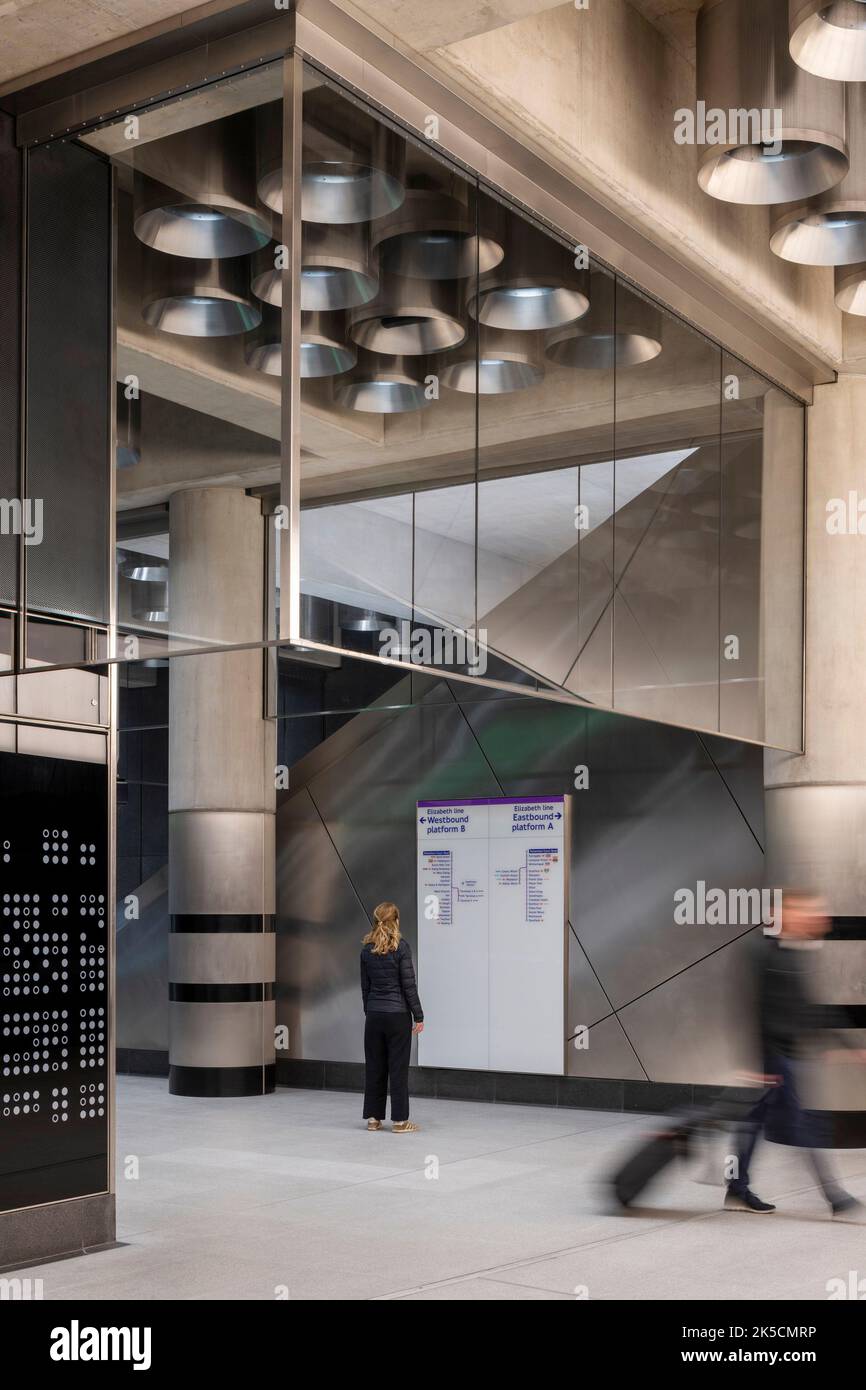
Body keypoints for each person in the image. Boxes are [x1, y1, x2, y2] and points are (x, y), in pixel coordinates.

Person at [725, 890, 862, 1217]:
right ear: (782, 913)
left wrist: (849, 1046)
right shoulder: (760, 951)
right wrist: (756, 1063)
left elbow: (807, 1010)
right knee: (802, 1122)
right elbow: (749, 1010)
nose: (816, 918)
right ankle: (834, 1196)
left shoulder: (792, 954)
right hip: (775, 1057)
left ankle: (736, 1188)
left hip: (787, 1054)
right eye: (806, 911)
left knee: (754, 1121)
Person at [360, 902, 424, 1133]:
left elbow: (365, 988)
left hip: (375, 1016)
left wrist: (371, 1012)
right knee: (397, 1068)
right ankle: (399, 1121)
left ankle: (373, 1119)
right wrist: (418, 1015)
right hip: (397, 1016)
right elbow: (409, 987)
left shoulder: (367, 949)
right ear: (396, 920)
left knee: (374, 1067)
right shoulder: (402, 948)